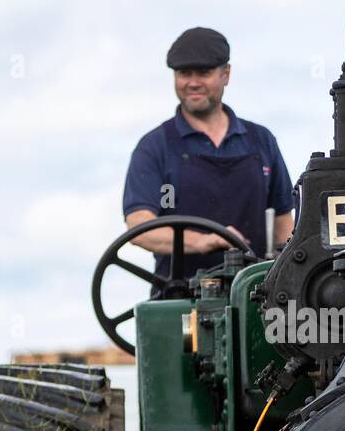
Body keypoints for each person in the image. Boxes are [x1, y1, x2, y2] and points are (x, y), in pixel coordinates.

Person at [122, 26, 294, 278]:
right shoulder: (155, 147)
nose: (193, 83)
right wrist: (202, 242)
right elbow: (139, 226)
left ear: (226, 74)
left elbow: (283, 224)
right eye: (184, 73)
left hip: (254, 293)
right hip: (178, 296)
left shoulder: (261, 141)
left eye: (203, 73)